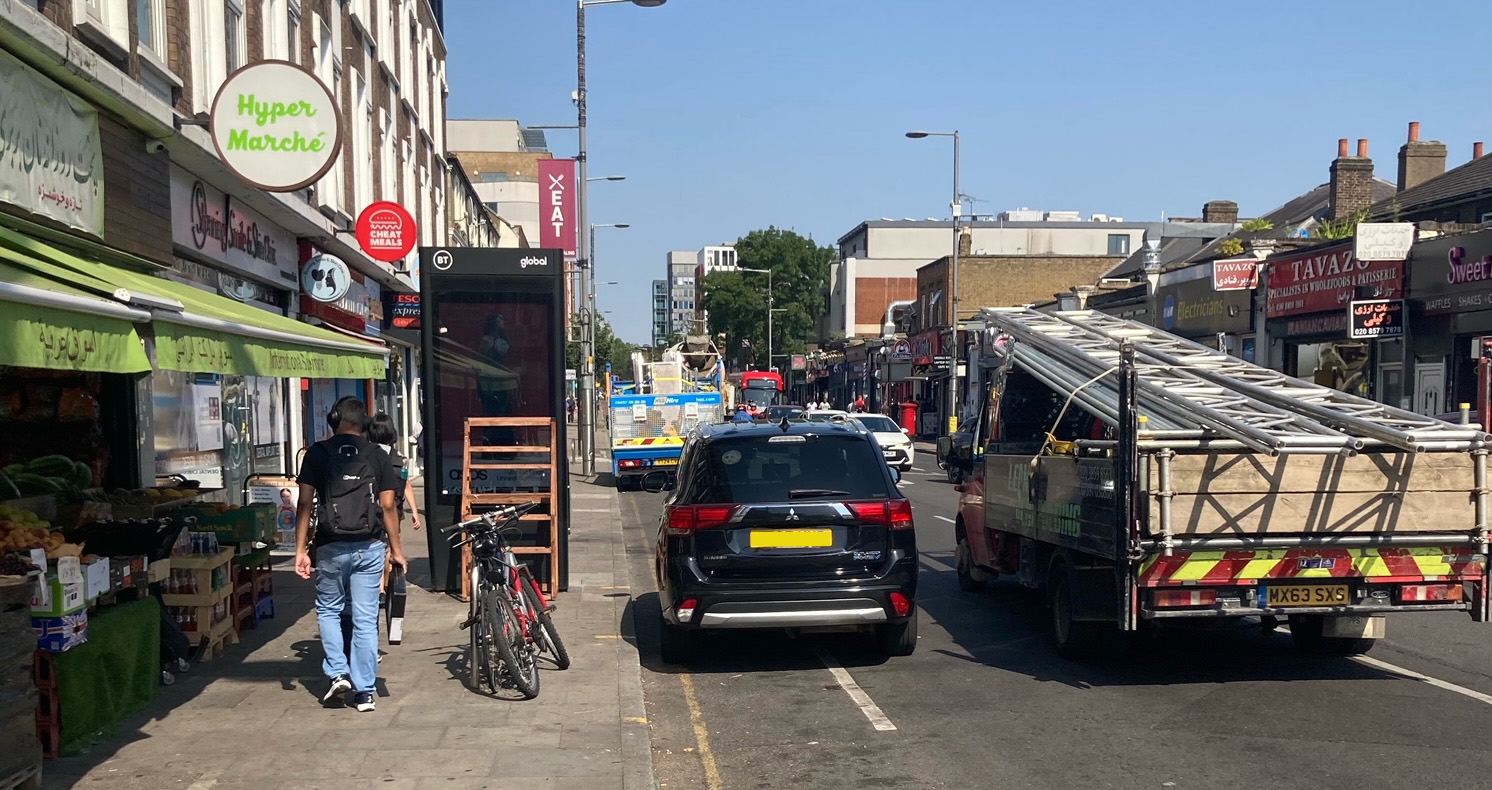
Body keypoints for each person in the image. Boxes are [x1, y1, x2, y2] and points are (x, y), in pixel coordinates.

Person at [294, 397, 406, 712]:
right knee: (365, 618)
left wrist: (300, 550)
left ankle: (338, 672)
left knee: (329, 611)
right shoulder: (378, 456)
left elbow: (304, 503)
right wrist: (396, 551)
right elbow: (387, 506)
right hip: (370, 546)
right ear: (364, 423)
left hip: (329, 545)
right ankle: (365, 692)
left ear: (333, 418)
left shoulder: (317, 453)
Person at [366, 413, 422, 533]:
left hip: (370, 511)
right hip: (394, 509)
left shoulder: (365, 457)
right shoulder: (400, 459)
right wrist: (414, 512)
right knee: (392, 543)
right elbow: (405, 484)